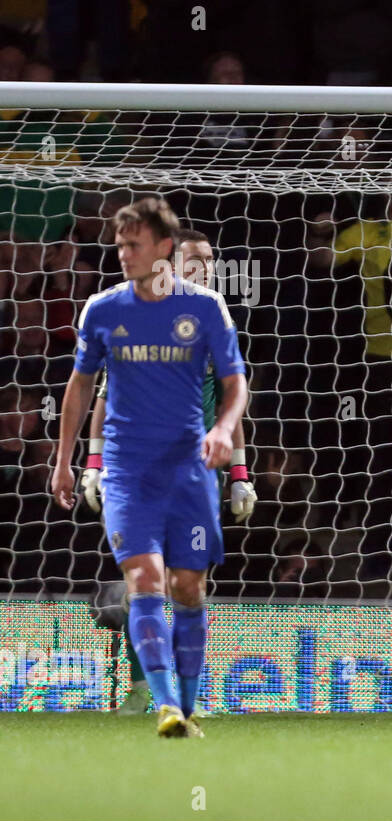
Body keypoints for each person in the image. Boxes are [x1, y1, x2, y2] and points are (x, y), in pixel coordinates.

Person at [51, 197, 249, 738]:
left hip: (190, 471)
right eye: (119, 244)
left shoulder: (206, 309)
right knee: (145, 579)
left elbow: (236, 388)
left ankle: (186, 704)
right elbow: (84, 387)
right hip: (127, 470)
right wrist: (70, 462)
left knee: (188, 587)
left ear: (163, 248)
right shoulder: (103, 309)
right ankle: (162, 703)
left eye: (133, 244)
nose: (123, 254)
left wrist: (228, 441)